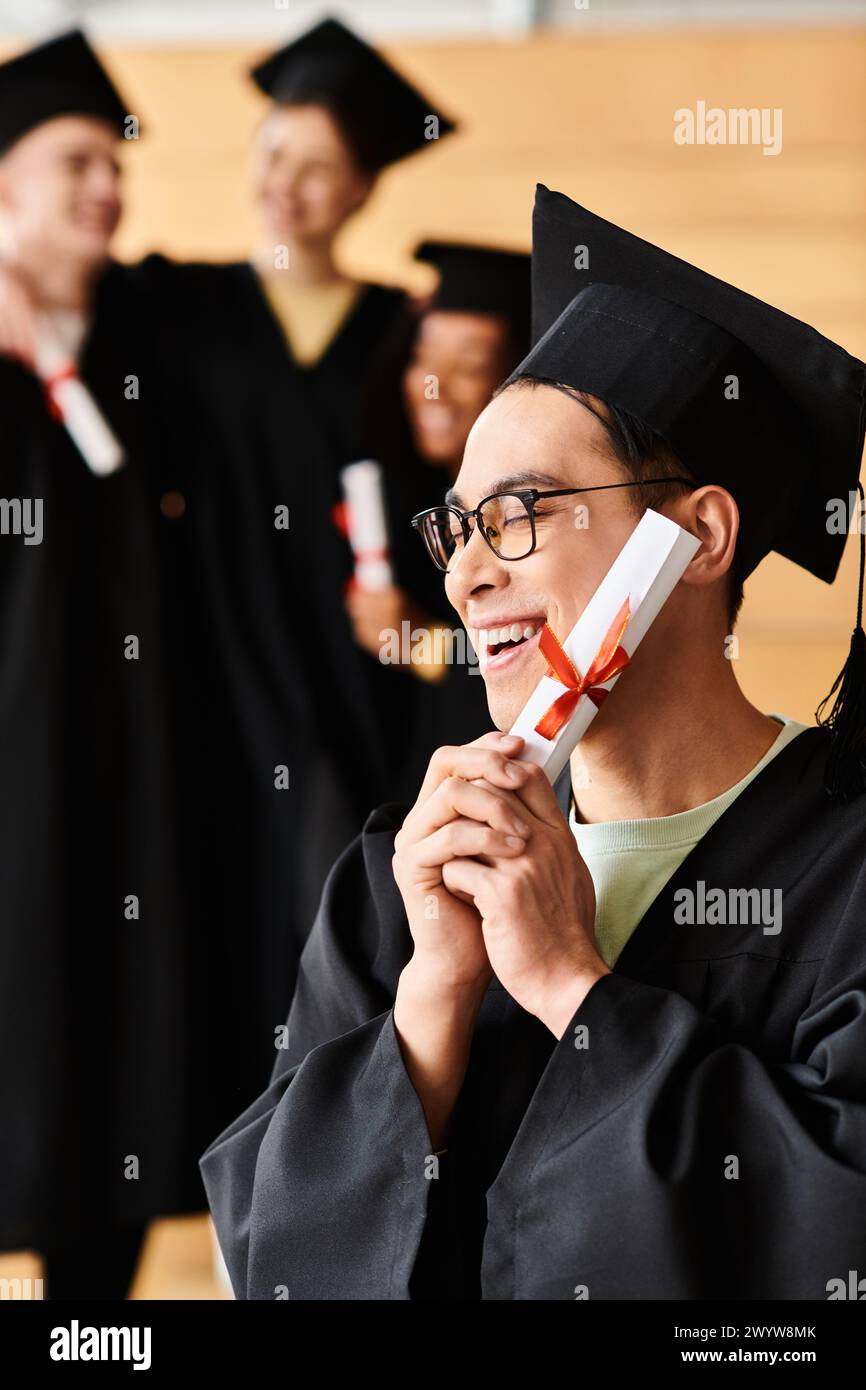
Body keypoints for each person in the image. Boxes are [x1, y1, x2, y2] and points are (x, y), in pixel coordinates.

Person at [200, 187, 866, 1300]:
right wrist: (430, 1002)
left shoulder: (844, 874)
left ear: (695, 538)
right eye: (455, 525)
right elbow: (266, 1264)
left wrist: (571, 986)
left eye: (517, 513)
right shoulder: (399, 880)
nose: (463, 574)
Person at [136, 13, 459, 939]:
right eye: (273, 152)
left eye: (318, 166)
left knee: (338, 897)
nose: (287, 185)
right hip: (213, 649)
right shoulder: (178, 304)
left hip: (358, 670)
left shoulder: (401, 332)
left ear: (359, 189)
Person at [0, 30, 197, 1299]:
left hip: (130, 767)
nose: (106, 185)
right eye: (75, 160)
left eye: (114, 161)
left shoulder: (153, 328)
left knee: (112, 1052)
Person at [346, 240, 532, 782]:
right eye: (425, 359)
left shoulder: (533, 517)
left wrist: (421, 643)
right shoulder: (416, 499)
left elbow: (555, 656)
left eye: (469, 365)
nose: (434, 387)